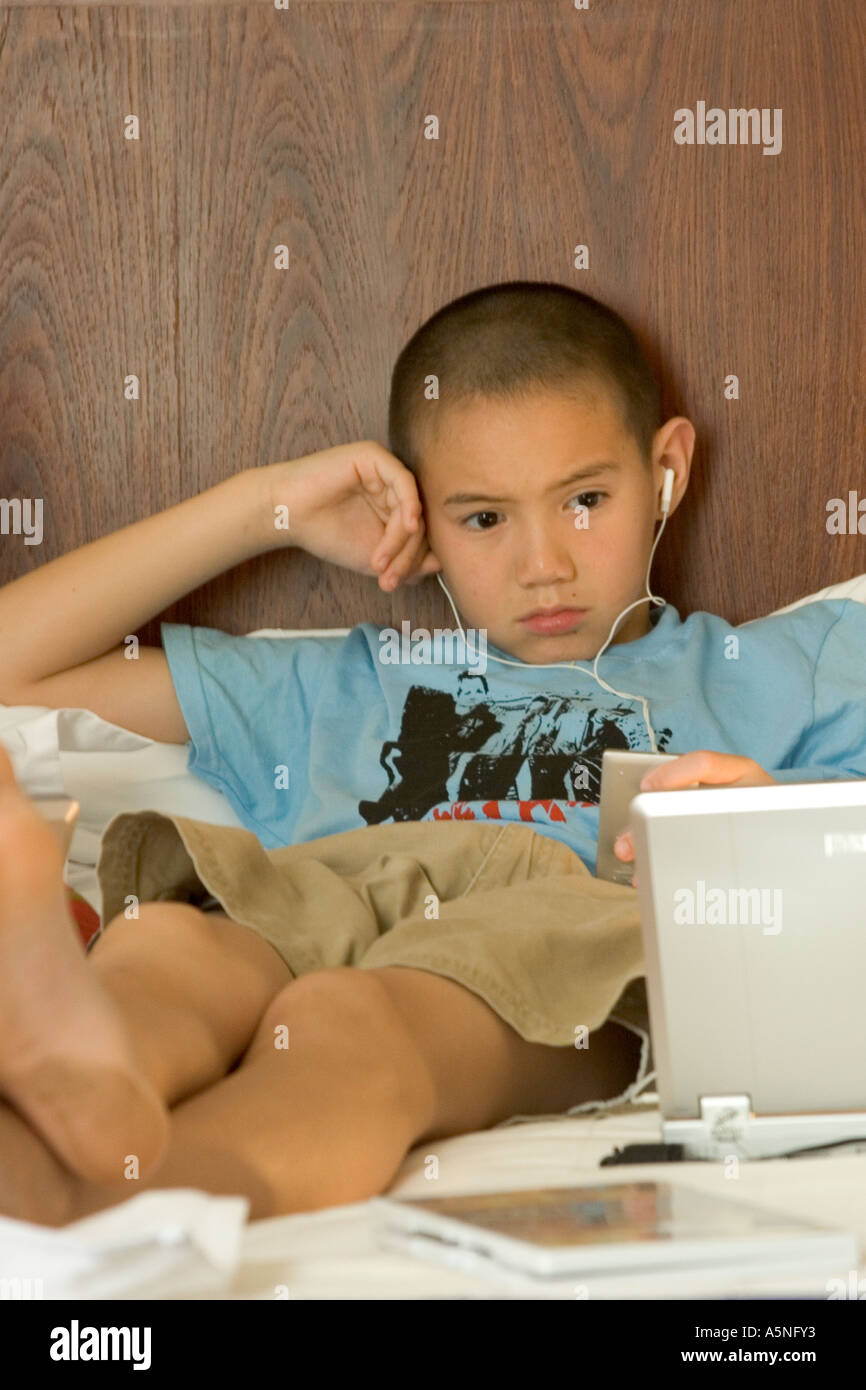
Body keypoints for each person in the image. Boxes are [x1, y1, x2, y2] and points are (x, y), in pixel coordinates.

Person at [1, 281, 864, 1230]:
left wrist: (770, 808)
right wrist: (267, 508)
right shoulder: (343, 684)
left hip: (564, 937)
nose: (544, 565)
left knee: (350, 1018)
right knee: (170, 947)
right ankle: (69, 1085)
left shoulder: (790, 667)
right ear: (419, 524)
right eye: (484, 519)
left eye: (583, 500)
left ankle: (100, 1209)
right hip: (330, 884)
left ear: (666, 469)